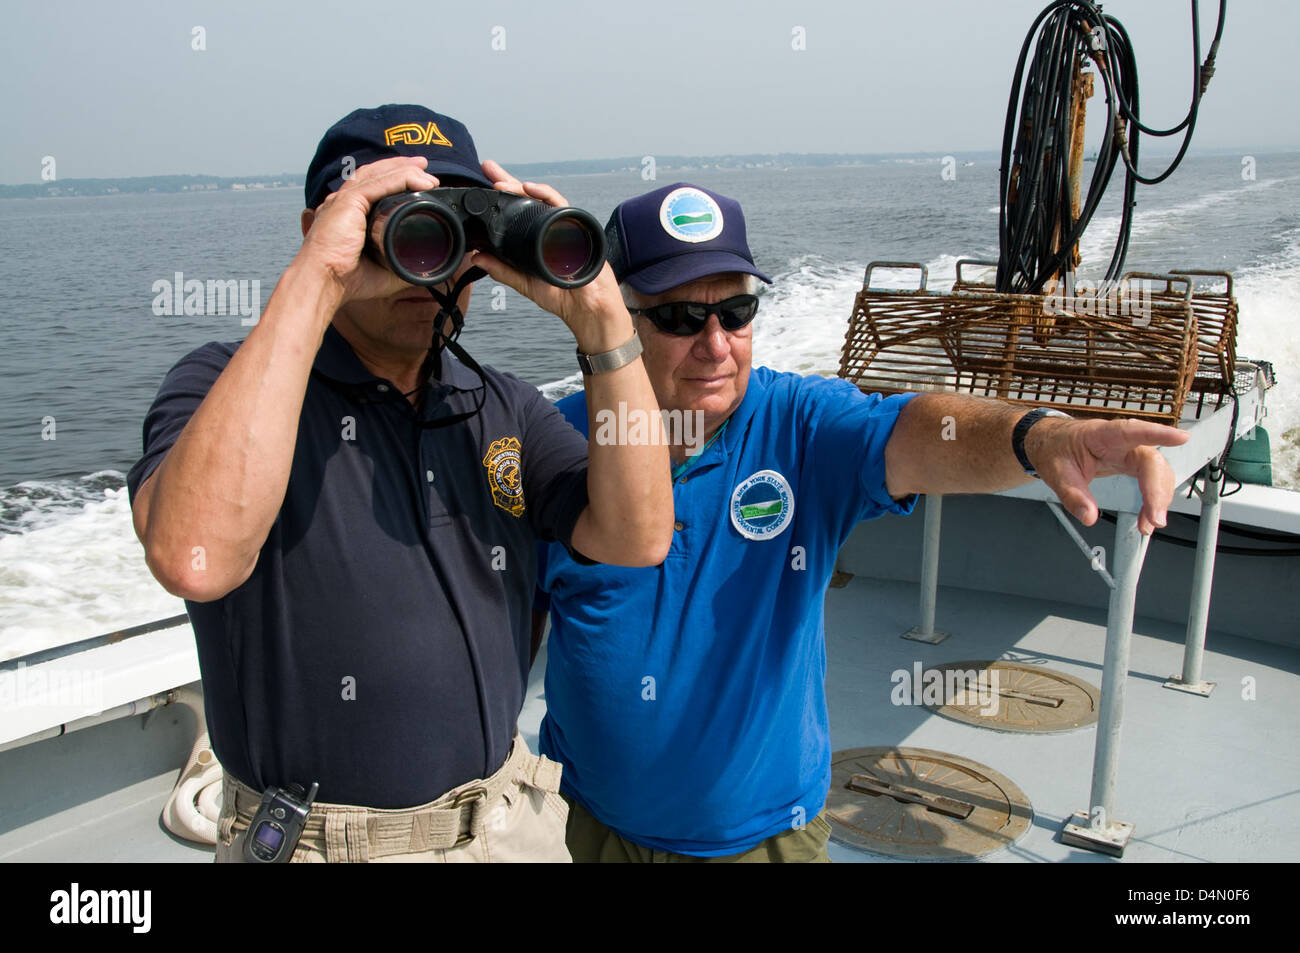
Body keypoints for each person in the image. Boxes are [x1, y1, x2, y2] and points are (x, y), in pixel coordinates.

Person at [532, 181, 1191, 862]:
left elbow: (924, 430)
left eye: (736, 310)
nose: (716, 344)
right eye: (678, 317)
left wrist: (1043, 438)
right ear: (618, 315)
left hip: (763, 840)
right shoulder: (555, 445)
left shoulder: (804, 426)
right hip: (581, 825)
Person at [127, 105, 672, 863]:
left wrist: (603, 318)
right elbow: (194, 557)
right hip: (326, 847)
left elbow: (639, 535)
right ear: (324, 226)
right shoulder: (225, 385)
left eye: (454, 231)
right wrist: (317, 277)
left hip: (506, 825)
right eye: (408, 226)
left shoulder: (503, 404)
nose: (432, 261)